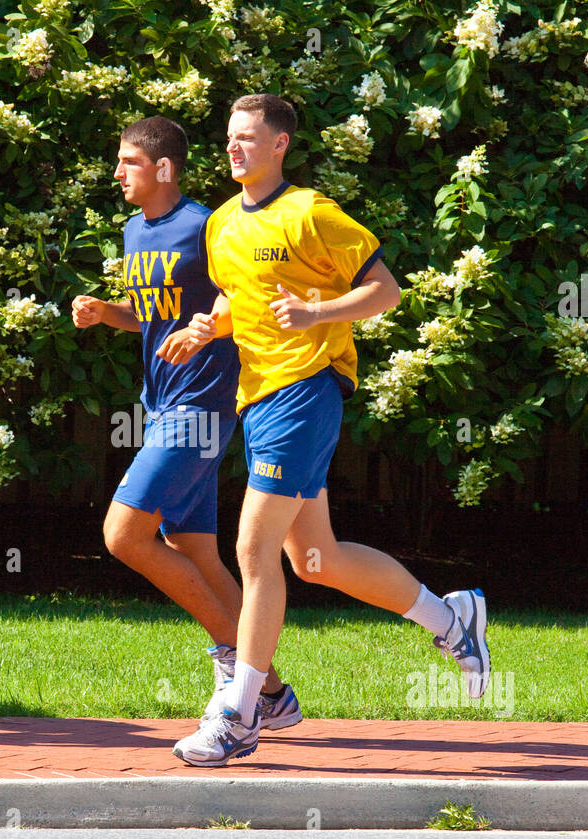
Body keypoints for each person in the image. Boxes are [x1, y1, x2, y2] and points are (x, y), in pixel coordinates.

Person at [170, 94, 489, 767]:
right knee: (315, 559)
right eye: (230, 137)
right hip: (257, 398)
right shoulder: (222, 223)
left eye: (249, 138)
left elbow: (385, 292)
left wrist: (318, 311)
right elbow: (240, 295)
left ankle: (242, 712)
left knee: (252, 549)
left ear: (280, 144)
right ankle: (452, 618)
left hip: (306, 390)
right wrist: (209, 325)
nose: (234, 148)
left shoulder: (312, 213)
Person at [71, 116, 300, 729]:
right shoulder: (132, 231)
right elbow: (154, 313)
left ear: (163, 168)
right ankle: (271, 697)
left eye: (129, 162)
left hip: (202, 406)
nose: (117, 173)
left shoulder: (205, 226)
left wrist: (208, 333)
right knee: (191, 548)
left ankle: (235, 663)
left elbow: (243, 293)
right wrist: (106, 313)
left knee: (122, 536)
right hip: (163, 405)